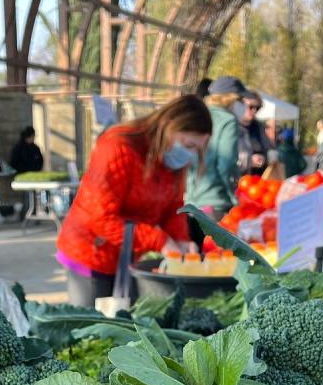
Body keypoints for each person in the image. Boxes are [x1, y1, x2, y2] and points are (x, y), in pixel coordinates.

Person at [56, 94, 212, 305]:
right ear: (168, 126)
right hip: (91, 251)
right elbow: (101, 218)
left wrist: (181, 240)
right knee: (92, 328)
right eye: (189, 145)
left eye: (198, 149)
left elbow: (172, 207)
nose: (191, 154)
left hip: (127, 255)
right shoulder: (118, 146)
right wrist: (161, 240)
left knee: (124, 321)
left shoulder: (171, 160)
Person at [185, 75, 244, 226]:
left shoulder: (196, 116)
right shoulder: (228, 121)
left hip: (190, 201)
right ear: (231, 99)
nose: (243, 105)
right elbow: (226, 163)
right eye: (241, 100)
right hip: (215, 202)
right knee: (214, 248)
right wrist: (234, 196)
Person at [237, 90, 272, 176]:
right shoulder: (231, 127)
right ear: (241, 106)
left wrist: (266, 158)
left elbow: (268, 150)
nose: (254, 110)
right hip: (237, 181)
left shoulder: (260, 128)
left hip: (258, 181)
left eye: (257, 108)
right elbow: (225, 158)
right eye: (251, 107)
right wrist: (249, 161)